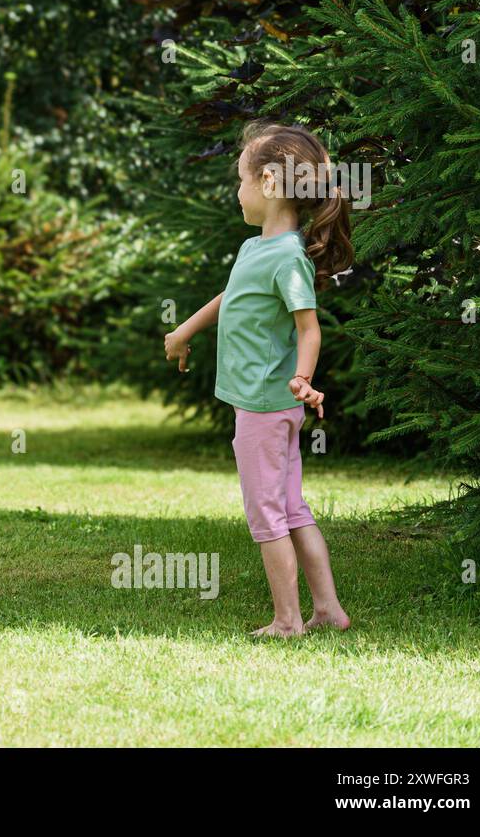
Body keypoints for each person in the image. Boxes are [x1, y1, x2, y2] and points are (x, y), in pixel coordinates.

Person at [165, 121, 353, 637]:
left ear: (269, 184)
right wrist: (184, 330)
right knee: (292, 508)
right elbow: (234, 297)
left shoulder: (289, 258)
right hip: (265, 406)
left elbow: (307, 328)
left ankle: (287, 620)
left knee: (266, 514)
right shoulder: (256, 251)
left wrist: (302, 377)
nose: (238, 191)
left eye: (242, 180)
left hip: (267, 408)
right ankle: (328, 611)